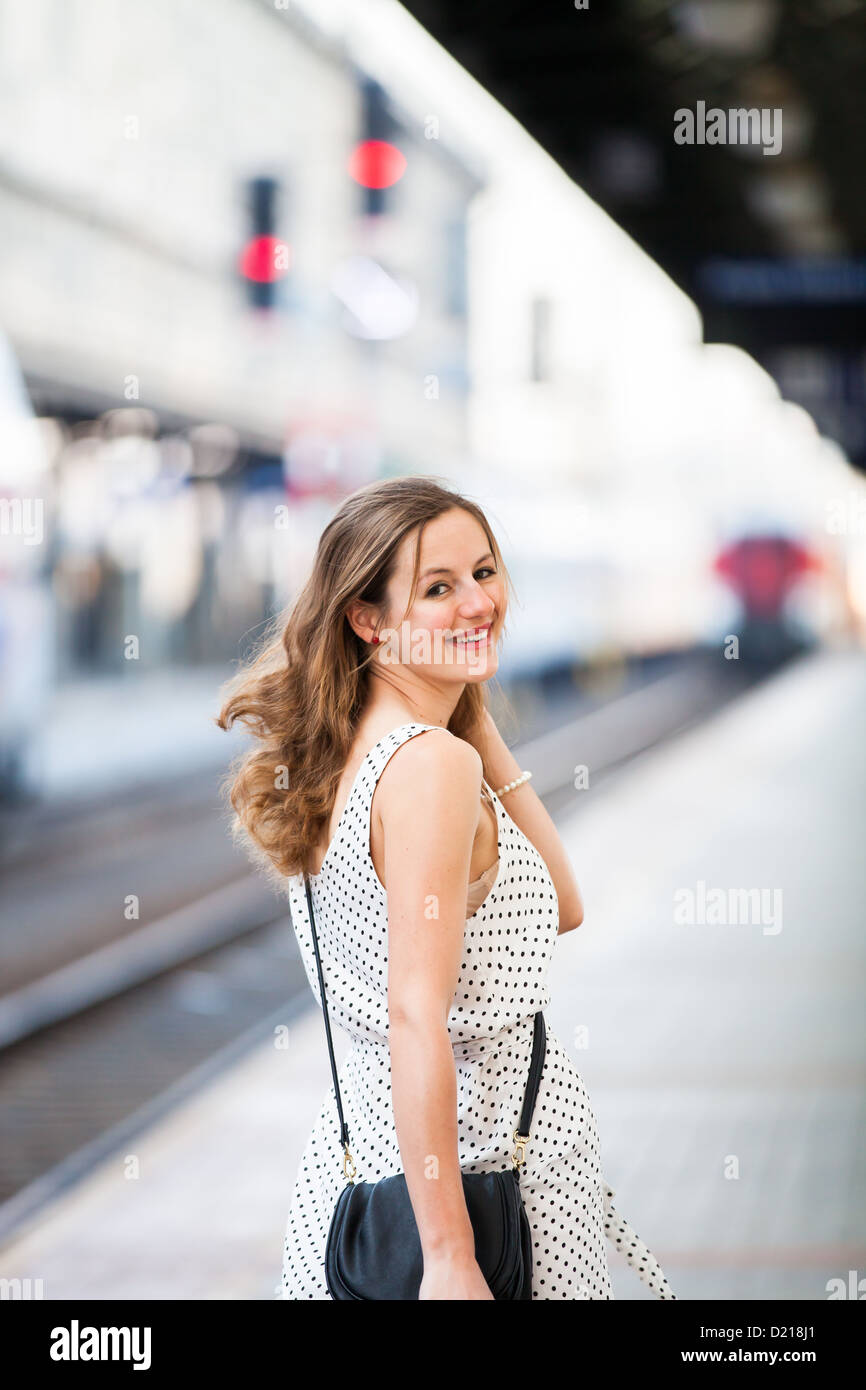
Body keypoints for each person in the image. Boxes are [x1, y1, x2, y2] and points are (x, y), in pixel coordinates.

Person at [217, 474, 675, 1301]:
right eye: (437, 588)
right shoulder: (428, 768)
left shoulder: (363, 752)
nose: (478, 602)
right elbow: (413, 1014)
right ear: (369, 618)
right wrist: (450, 1257)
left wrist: (474, 718)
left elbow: (563, 907)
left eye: (485, 571)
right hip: (487, 1176)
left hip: (361, 1170)